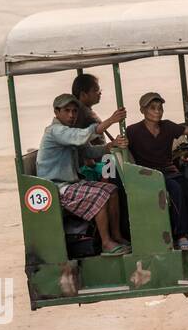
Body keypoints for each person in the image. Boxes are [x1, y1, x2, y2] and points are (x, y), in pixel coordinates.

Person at [125, 92, 188, 249]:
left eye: (160, 108)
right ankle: (181, 236)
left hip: (169, 171)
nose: (157, 111)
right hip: (149, 176)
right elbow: (121, 147)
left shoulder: (167, 126)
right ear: (142, 111)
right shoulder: (133, 131)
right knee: (176, 189)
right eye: (153, 108)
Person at [36, 94, 130, 254]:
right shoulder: (55, 131)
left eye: (74, 111)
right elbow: (81, 137)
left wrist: (110, 146)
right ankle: (106, 243)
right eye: (67, 111)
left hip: (73, 183)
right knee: (98, 195)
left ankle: (116, 236)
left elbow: (88, 151)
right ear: (56, 112)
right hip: (57, 188)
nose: (72, 115)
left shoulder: (68, 132)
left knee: (112, 190)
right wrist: (111, 120)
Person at [71, 72, 109, 146]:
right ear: (83, 95)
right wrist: (112, 120)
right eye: (96, 90)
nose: (100, 93)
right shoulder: (82, 113)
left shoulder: (85, 110)